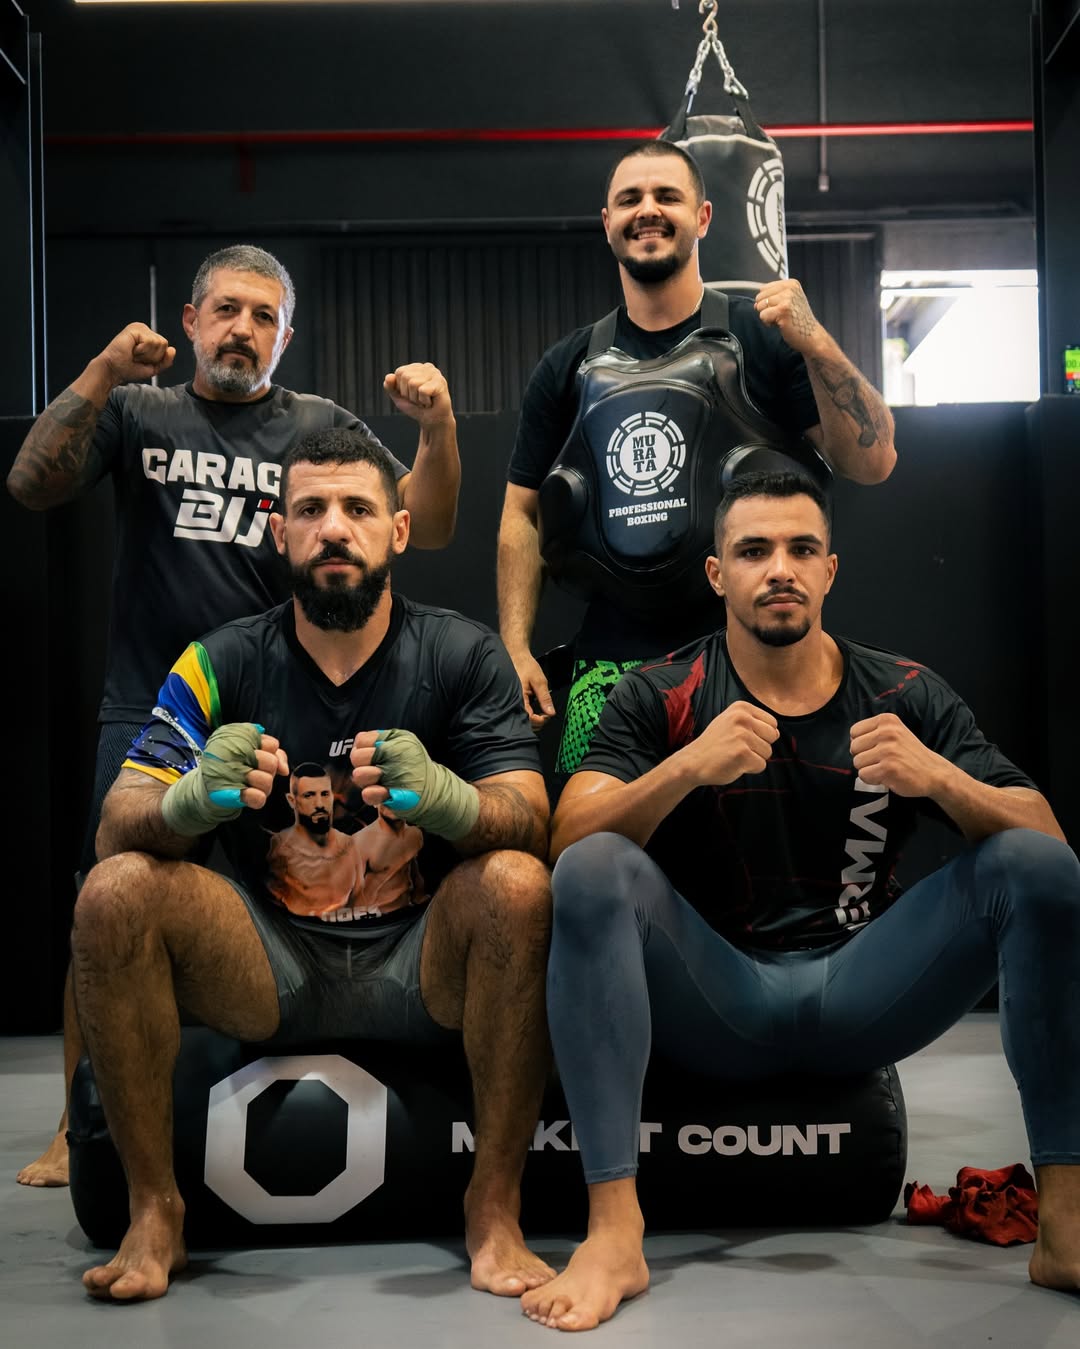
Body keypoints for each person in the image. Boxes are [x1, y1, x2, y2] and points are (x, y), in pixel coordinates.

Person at [520, 471, 1080, 1330]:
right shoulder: (660, 692)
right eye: (754, 550)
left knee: (1037, 870)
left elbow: (1047, 835)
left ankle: (1066, 1221)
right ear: (717, 575)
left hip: (865, 991)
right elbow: (569, 834)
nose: (778, 568)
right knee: (595, 866)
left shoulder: (902, 692)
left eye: (800, 549)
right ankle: (614, 1231)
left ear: (829, 570)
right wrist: (688, 766)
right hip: (719, 995)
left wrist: (938, 778)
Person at [8, 243, 462, 1187]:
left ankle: (245, 1088)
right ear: (189, 320)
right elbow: (31, 483)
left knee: (268, 897)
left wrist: (437, 430)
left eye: (263, 316)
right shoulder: (141, 409)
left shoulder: (318, 426)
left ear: (285, 335)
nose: (241, 329)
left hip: (275, 699)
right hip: (153, 701)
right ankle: (74, 1119)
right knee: (109, 890)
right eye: (225, 310)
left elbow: (429, 521)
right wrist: (98, 370)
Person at [71, 427, 555, 1303]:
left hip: (419, 962)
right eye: (311, 510)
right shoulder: (217, 660)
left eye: (358, 508)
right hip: (270, 963)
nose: (334, 527)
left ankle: (494, 1205)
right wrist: (187, 802)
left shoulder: (463, 653)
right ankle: (154, 1209)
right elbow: (117, 823)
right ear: (278, 530)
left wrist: (451, 799)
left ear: (398, 531)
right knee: (114, 891)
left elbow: (530, 812)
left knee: (520, 884)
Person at [497, 139, 896, 774]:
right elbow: (522, 513)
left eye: (667, 197)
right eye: (629, 199)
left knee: (754, 855)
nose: (647, 210)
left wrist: (815, 340)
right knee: (589, 844)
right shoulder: (566, 365)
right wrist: (515, 645)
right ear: (608, 223)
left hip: (753, 657)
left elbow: (873, 461)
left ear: (704, 218)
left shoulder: (765, 339)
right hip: (609, 661)